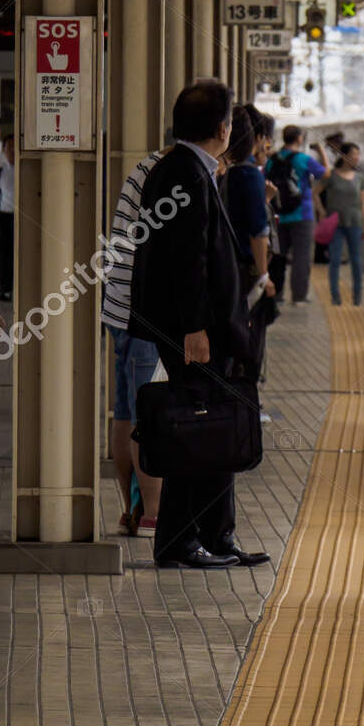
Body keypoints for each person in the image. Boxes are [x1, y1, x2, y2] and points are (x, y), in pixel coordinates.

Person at [130, 80, 269, 571]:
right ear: (222, 127)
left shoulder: (188, 167)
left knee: (216, 423)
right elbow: (186, 259)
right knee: (198, 428)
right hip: (195, 329)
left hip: (208, 326)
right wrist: (194, 328)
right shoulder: (183, 172)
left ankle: (216, 533)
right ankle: (180, 541)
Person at [101, 135, 174, 537]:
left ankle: (131, 509)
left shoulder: (146, 167)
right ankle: (152, 513)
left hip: (120, 303)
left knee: (126, 409)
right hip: (142, 310)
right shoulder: (169, 175)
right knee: (146, 411)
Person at [223, 104, 277, 374]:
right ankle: (242, 408)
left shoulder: (222, 172)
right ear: (257, 139)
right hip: (244, 272)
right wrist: (264, 276)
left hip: (224, 270)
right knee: (246, 343)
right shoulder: (248, 175)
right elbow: (258, 232)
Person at [266, 125, 323, 304]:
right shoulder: (304, 159)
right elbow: (326, 174)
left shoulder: (272, 159)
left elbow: (265, 180)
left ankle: (277, 294)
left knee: (278, 256)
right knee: (301, 256)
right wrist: (321, 151)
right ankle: (299, 296)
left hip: (278, 215)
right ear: (299, 139)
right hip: (302, 214)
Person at [323, 143, 364, 306]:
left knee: (356, 260)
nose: (357, 157)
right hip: (335, 223)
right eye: (354, 154)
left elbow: (363, 202)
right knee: (335, 259)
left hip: (355, 222)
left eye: (358, 154)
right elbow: (315, 193)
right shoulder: (331, 176)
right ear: (344, 156)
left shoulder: (359, 178)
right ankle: (335, 296)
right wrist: (322, 212)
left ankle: (357, 295)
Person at [0, 118, 13, 301]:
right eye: (9, 148)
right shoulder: (0, 169)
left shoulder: (21, 170)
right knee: (2, 254)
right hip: (2, 215)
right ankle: (2, 285)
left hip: (16, 217)